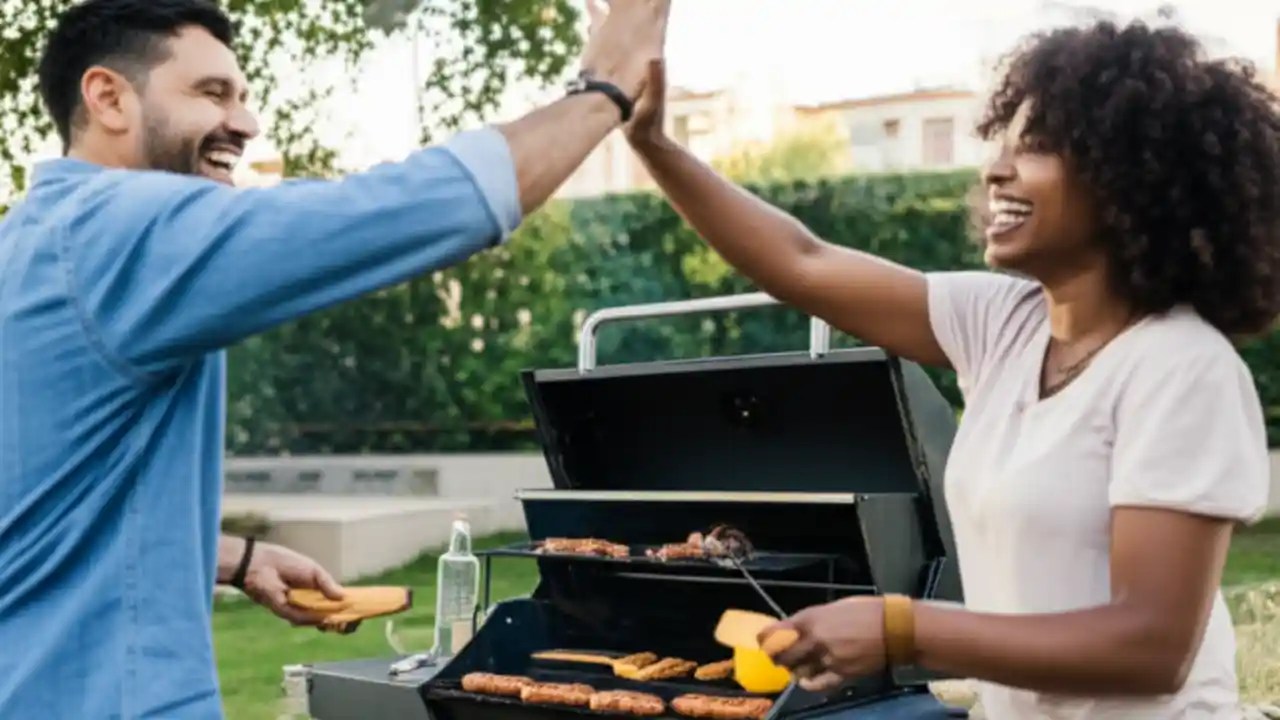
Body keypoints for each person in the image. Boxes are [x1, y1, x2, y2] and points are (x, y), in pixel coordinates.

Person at [0, 0, 669, 715]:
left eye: (245, 96)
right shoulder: (121, 233)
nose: (247, 123)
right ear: (108, 98)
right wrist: (603, 90)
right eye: (211, 93)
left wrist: (232, 557)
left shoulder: (32, 245)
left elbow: (47, 500)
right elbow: (409, 210)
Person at [618, 17, 1280, 720]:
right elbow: (801, 262)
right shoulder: (1003, 323)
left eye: (1040, 148)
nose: (996, 170)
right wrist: (652, 144)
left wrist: (902, 628)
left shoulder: (1181, 367)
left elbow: (1150, 646)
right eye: (1002, 144)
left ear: (1135, 178)